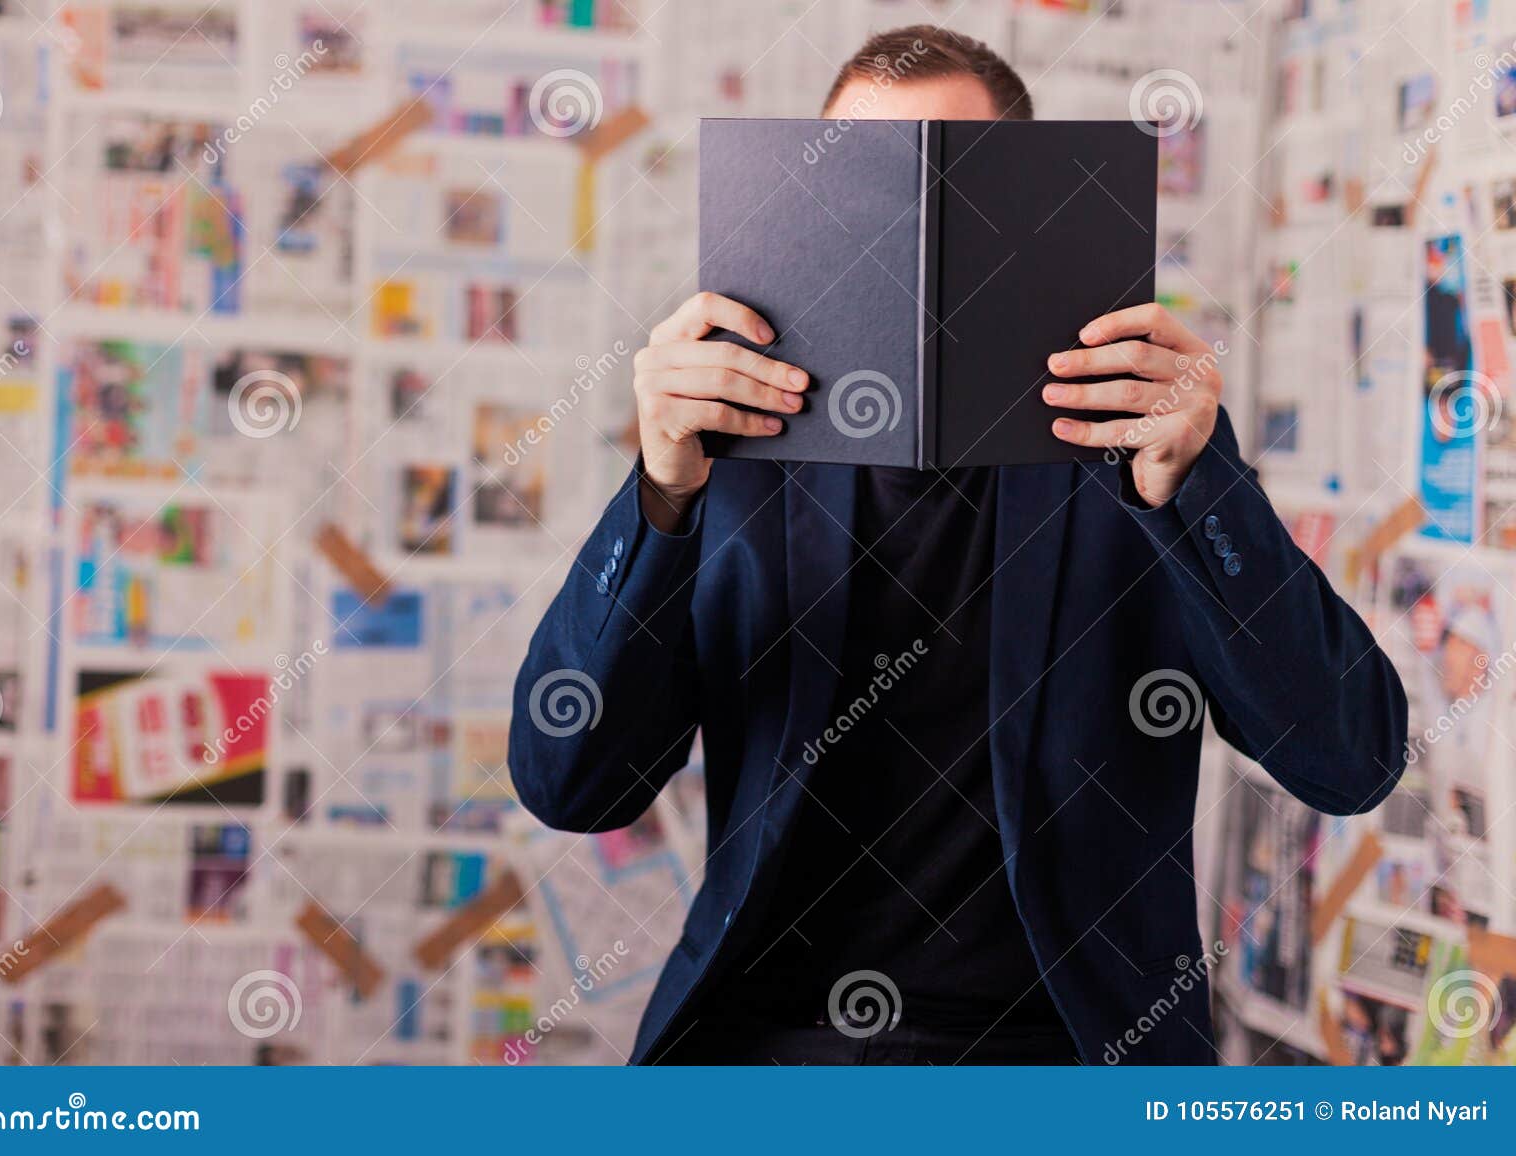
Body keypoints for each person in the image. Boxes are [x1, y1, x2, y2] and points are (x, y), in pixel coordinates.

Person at [508, 24, 1407, 1065]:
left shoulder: (1136, 447)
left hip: (1064, 1055)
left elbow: (1351, 757)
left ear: (1019, 218)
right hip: (771, 1051)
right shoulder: (730, 450)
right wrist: (662, 490)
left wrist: (1198, 489)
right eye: (858, 187)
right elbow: (568, 781)